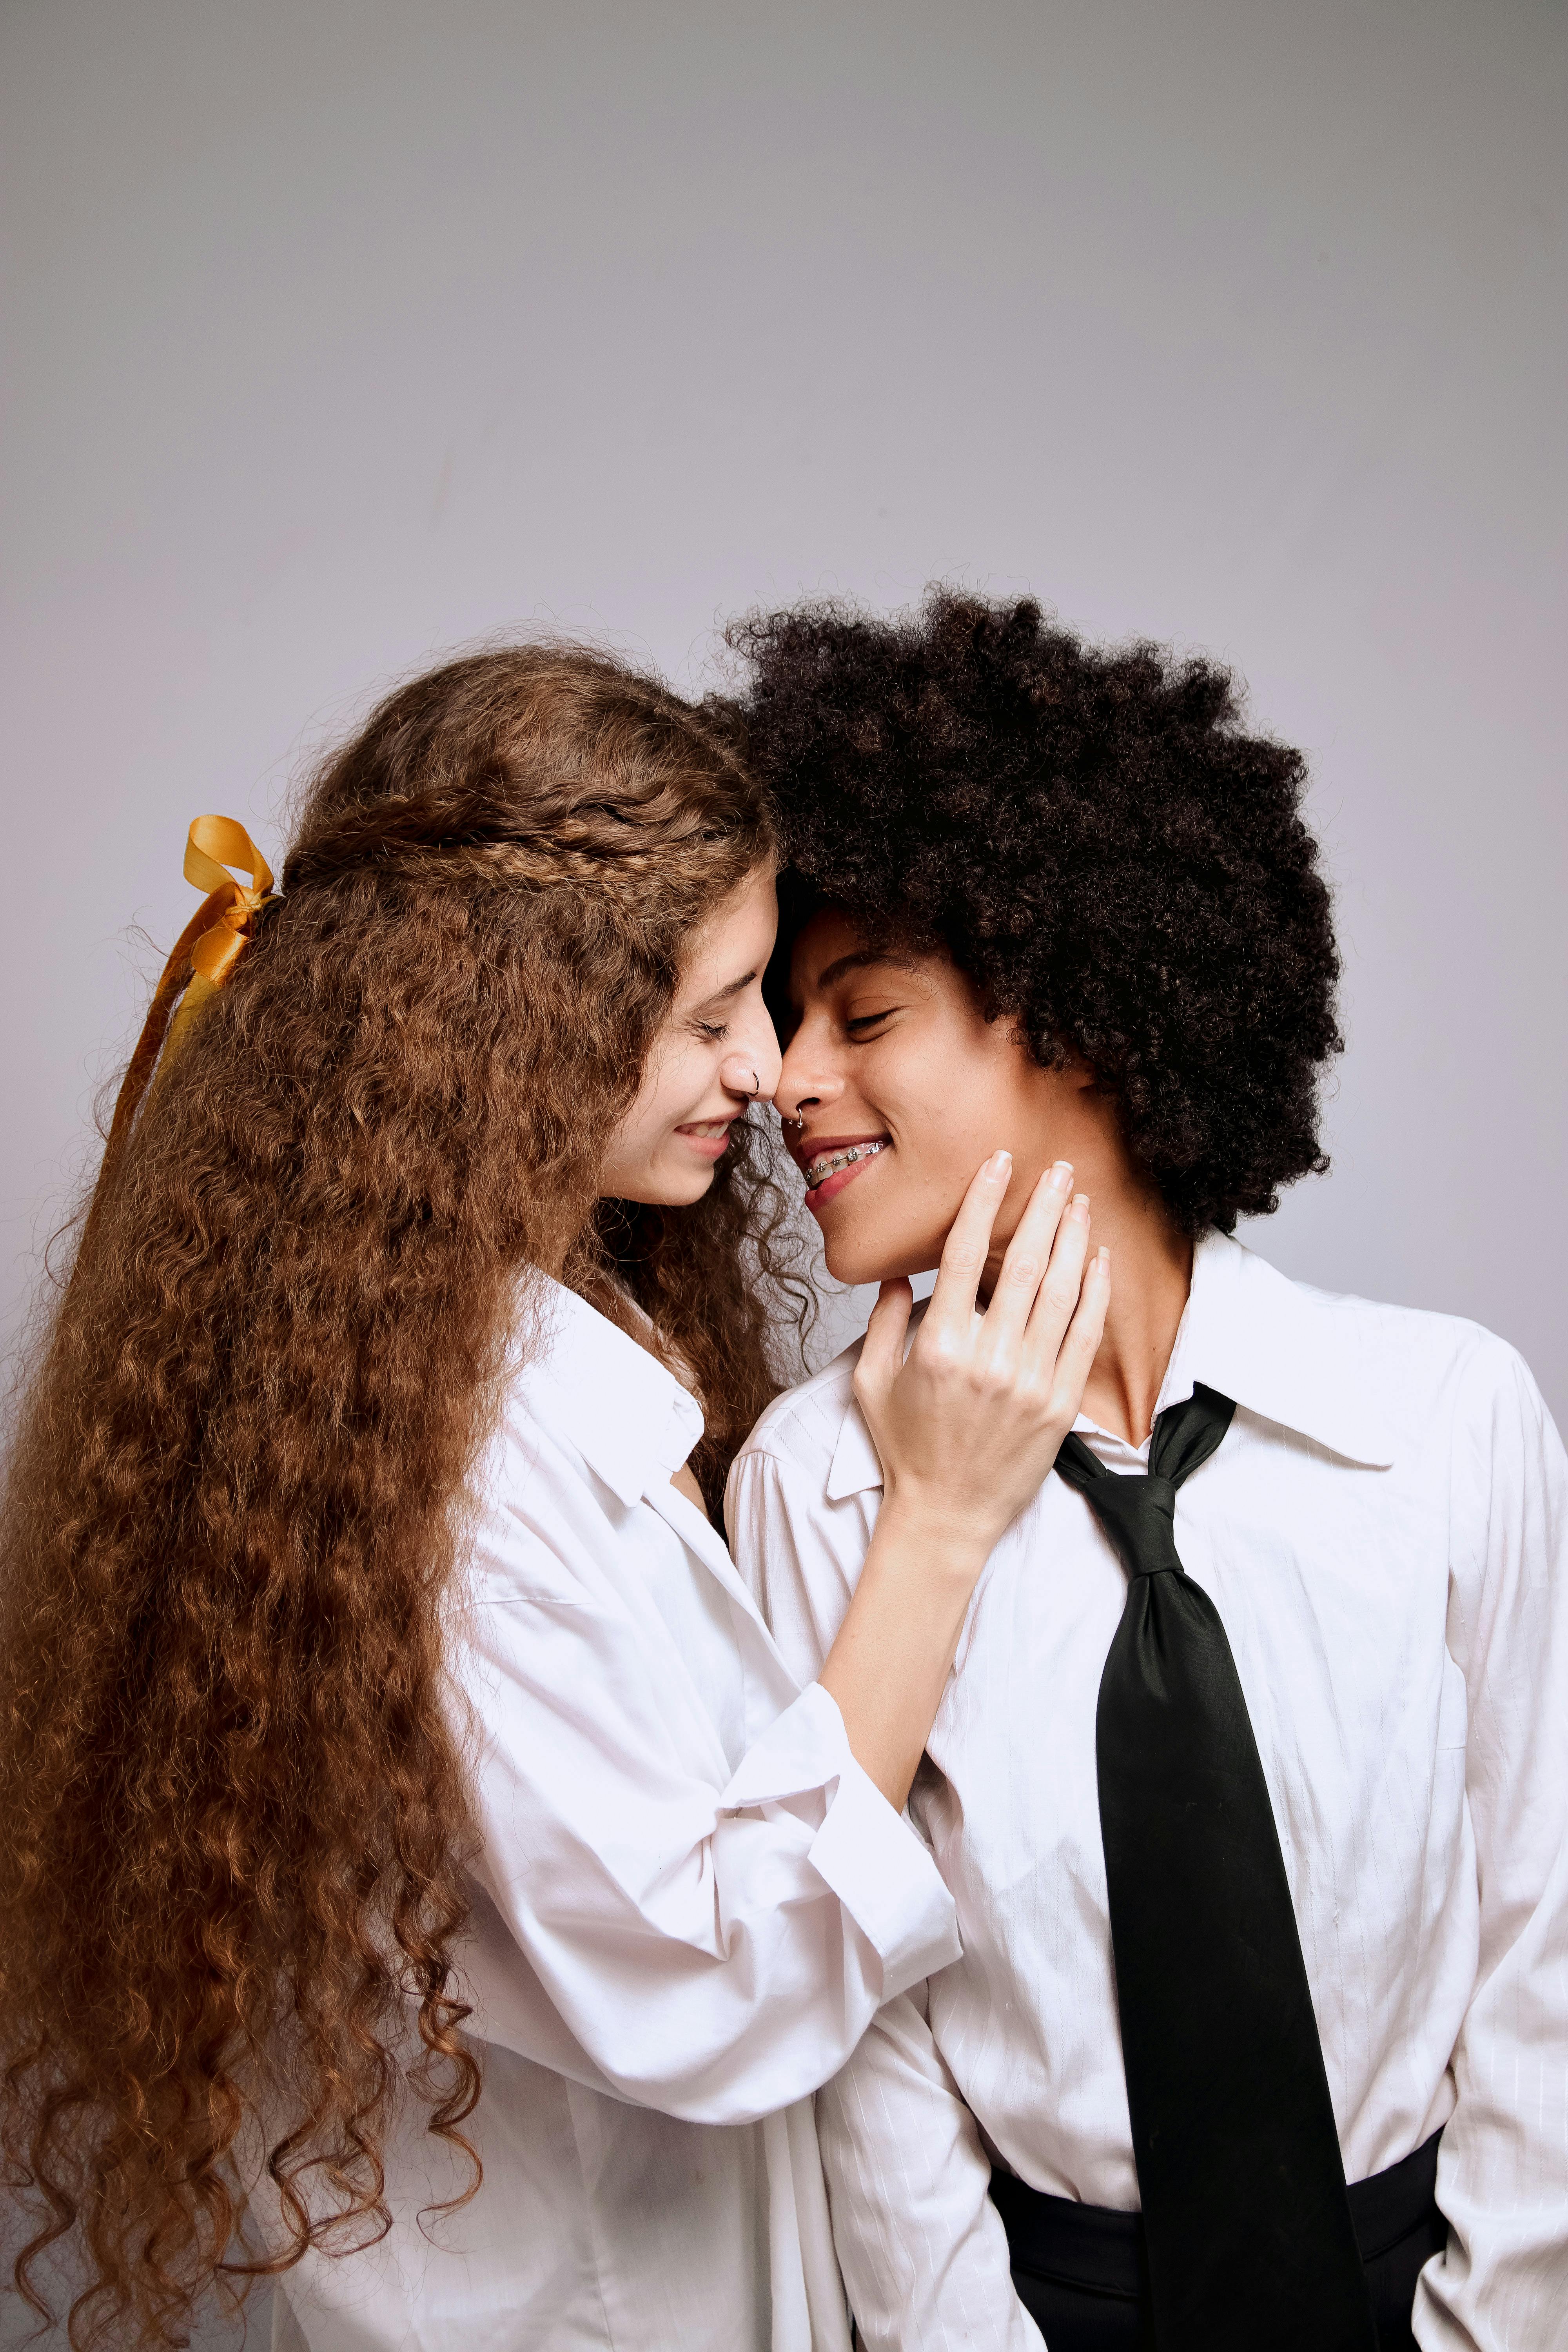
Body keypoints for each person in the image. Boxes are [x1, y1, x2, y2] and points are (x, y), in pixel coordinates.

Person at [0, 643, 1111, 2352]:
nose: (763, 1074)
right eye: (709, 1010)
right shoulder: (467, 1473)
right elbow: (730, 1980)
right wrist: (943, 1525)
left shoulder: (406, 1374)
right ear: (512, 1022)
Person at [726, 592, 1568, 2352]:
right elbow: (860, 2055)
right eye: (783, 1025)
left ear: (1086, 1014)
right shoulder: (812, 1488)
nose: (783, 1083)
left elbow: (1540, 1945)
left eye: (859, 1015)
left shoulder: (1448, 1419)